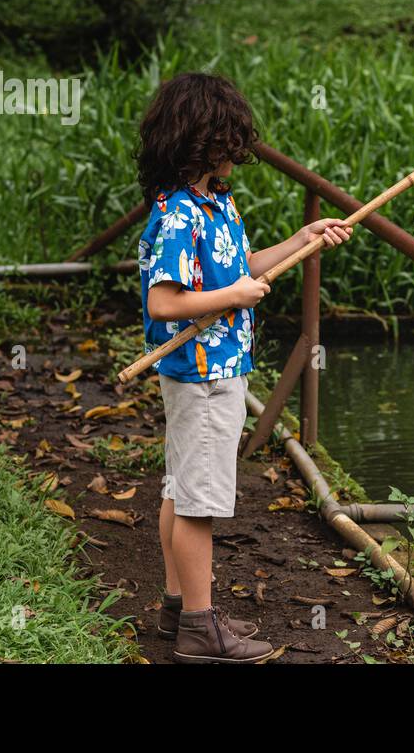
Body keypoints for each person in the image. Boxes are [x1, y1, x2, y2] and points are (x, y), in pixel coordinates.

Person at [134, 72, 351, 662]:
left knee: (182, 491)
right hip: (202, 375)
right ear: (195, 144)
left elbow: (243, 265)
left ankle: (177, 610)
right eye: (226, 146)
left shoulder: (216, 203)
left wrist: (302, 239)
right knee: (199, 502)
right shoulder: (180, 214)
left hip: (216, 369)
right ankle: (201, 631)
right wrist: (232, 298)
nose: (235, 158)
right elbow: (164, 301)